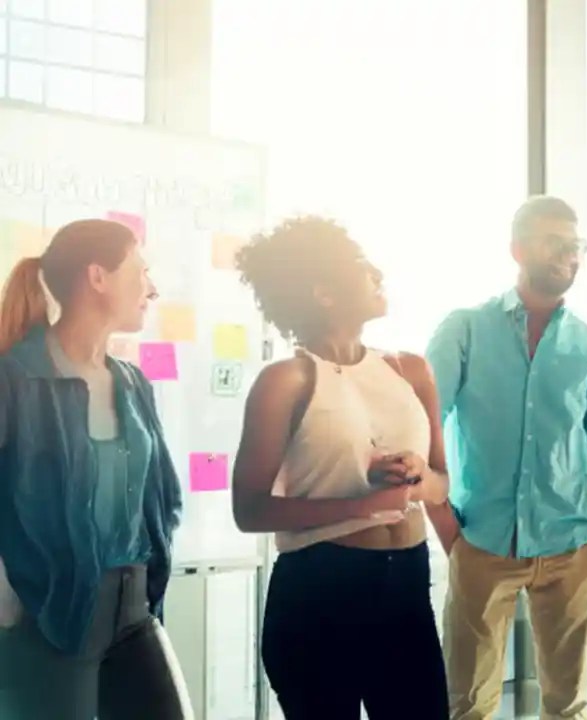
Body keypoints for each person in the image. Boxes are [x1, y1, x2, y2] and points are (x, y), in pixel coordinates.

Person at [230, 216, 451, 719]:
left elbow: (441, 486)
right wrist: (362, 505)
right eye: (360, 265)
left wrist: (419, 475)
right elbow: (249, 510)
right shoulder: (285, 381)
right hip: (319, 594)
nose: (377, 274)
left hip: (407, 588)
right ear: (324, 293)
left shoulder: (410, 370)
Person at [426, 195, 587, 720]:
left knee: (569, 708)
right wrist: (449, 530)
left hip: (574, 544)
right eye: (555, 243)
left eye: (576, 245)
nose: (569, 255)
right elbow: (424, 427)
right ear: (518, 249)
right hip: (482, 541)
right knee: (467, 705)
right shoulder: (465, 329)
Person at [0, 219, 192, 719]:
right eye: (141, 271)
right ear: (97, 277)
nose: (152, 288)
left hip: (135, 610)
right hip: (48, 615)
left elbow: (159, 497)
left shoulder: (132, 382)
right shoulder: (16, 379)